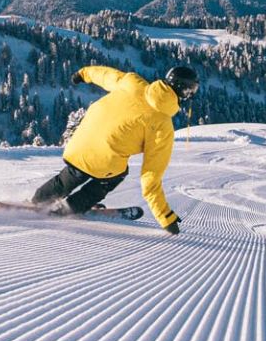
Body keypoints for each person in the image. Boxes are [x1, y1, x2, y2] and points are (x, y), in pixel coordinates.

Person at [32, 64, 198, 233]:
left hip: (78, 143)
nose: (191, 94)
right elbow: (151, 178)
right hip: (104, 161)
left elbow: (104, 75)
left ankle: (39, 200)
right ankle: (72, 206)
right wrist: (166, 217)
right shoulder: (162, 125)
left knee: (74, 172)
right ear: (183, 90)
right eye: (191, 90)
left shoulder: (133, 82)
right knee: (115, 174)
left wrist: (83, 74)